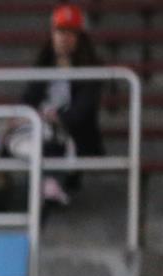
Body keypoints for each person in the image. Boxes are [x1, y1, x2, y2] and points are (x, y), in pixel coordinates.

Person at [20, 4, 104, 205]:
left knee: (50, 139)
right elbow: (27, 100)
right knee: (9, 134)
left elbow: (80, 113)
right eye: (60, 32)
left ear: (81, 38)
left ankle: (49, 186)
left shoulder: (92, 70)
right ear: (52, 34)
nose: (64, 38)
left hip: (73, 134)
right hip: (38, 129)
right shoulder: (42, 66)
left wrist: (52, 118)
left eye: (71, 33)